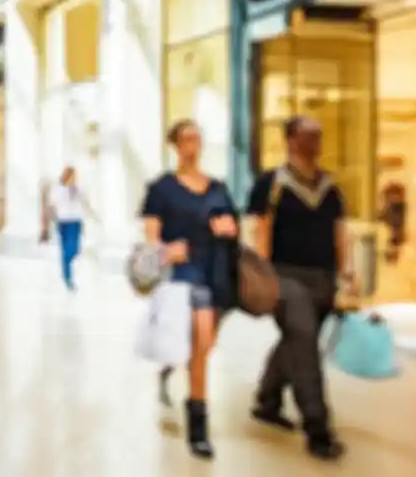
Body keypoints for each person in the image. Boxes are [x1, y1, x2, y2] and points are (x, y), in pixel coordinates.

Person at [247, 116, 349, 461]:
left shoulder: (330, 186)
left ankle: (267, 399)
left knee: (297, 340)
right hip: (285, 276)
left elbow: (339, 231)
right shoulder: (270, 183)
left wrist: (346, 274)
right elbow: (261, 231)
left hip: (324, 278)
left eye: (317, 135)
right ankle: (318, 427)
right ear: (290, 140)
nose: (314, 141)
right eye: (307, 135)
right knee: (304, 343)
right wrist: (263, 275)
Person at [141, 120, 240, 460]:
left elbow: (232, 223)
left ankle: (172, 369)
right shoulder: (161, 189)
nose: (192, 145)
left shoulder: (218, 187)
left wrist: (228, 228)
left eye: (197, 138)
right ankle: (198, 423)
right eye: (185, 139)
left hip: (216, 271)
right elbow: (151, 239)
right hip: (184, 274)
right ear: (174, 145)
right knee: (200, 337)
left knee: (203, 343)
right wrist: (167, 252)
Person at [43, 167, 85, 291]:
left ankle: (66, 267)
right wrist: (53, 219)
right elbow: (51, 205)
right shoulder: (58, 190)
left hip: (76, 221)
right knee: (66, 250)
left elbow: (85, 201)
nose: (74, 179)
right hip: (64, 221)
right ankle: (68, 277)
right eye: (72, 176)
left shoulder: (78, 189)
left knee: (75, 250)